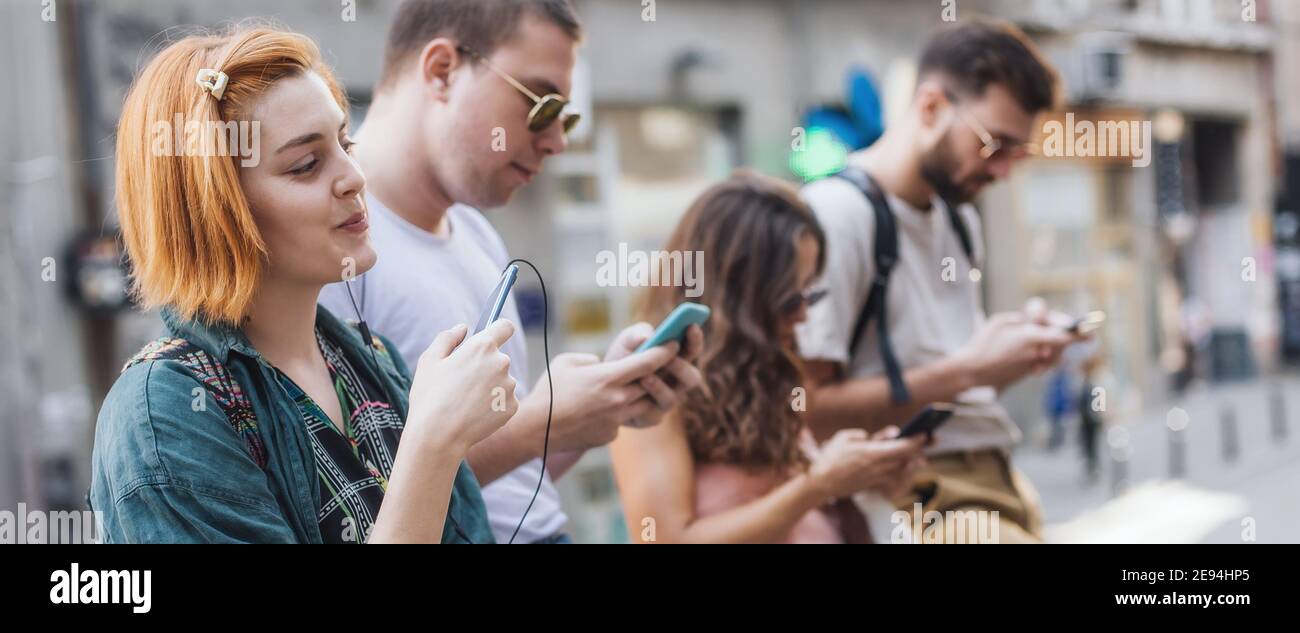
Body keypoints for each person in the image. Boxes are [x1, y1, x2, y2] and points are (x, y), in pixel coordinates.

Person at [91, 26, 518, 543]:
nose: (354, 177)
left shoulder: (371, 361)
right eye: (306, 164)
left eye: (345, 142)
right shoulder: (164, 417)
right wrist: (433, 445)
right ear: (216, 211)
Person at [318, 0, 704, 543]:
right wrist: (541, 422)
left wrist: (597, 407)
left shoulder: (476, 234)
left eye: (566, 117)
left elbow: (507, 486)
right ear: (442, 70)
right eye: (543, 104)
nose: (557, 141)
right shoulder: (330, 250)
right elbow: (346, 501)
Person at [798, 19, 1085, 543]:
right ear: (930, 107)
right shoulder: (837, 215)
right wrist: (969, 368)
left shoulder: (957, 218)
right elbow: (807, 410)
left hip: (993, 480)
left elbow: (948, 377)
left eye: (1017, 154)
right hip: (907, 498)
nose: (1002, 172)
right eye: (995, 145)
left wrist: (1010, 355)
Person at [609, 172, 926, 544]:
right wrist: (818, 485)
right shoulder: (654, 382)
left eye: (810, 296)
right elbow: (664, 540)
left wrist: (866, 478)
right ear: (738, 296)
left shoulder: (770, 371)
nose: (803, 316)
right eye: (790, 300)